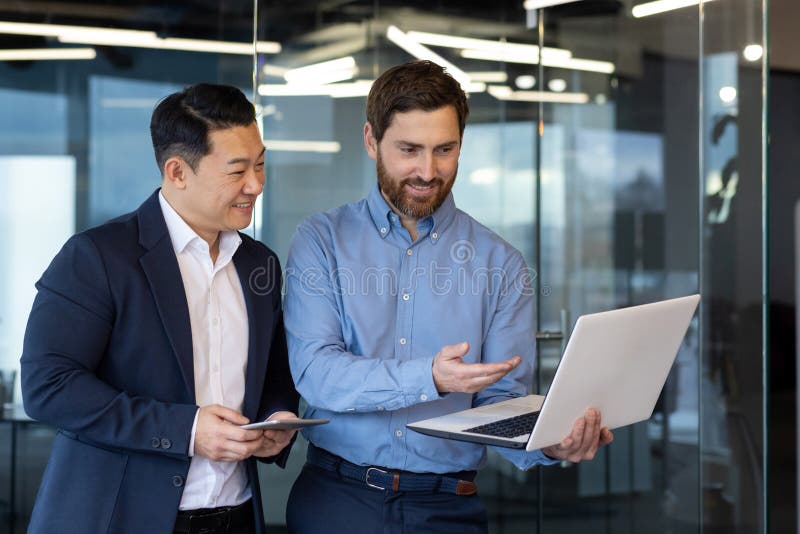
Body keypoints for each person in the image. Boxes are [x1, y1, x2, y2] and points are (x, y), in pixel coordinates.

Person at [283, 60, 614, 533]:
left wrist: (550, 443)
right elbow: (316, 374)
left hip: (447, 510)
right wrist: (430, 378)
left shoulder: (501, 264)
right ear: (371, 141)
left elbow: (500, 403)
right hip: (338, 500)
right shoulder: (322, 240)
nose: (427, 170)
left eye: (445, 149)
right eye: (409, 149)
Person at [20, 83, 299, 534]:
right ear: (177, 171)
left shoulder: (258, 263)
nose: (256, 184)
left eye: (261, 165)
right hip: (120, 516)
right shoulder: (98, 257)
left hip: (239, 514)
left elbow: (274, 377)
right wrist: (187, 429)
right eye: (237, 171)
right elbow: (48, 386)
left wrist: (277, 419)